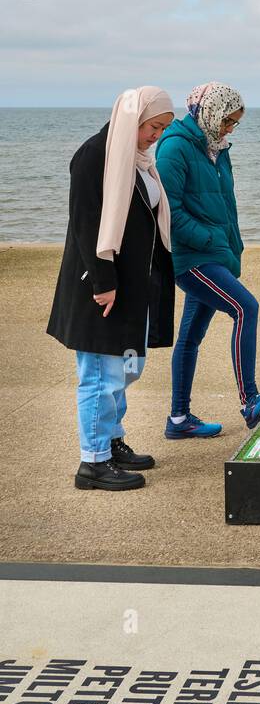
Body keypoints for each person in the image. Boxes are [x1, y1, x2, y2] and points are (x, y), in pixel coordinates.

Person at [48, 87, 175, 491]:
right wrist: (104, 283)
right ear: (133, 118)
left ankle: (111, 440)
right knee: (101, 375)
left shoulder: (134, 158)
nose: (156, 136)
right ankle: (93, 463)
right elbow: (85, 224)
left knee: (126, 369)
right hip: (100, 288)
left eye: (162, 129)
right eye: (153, 127)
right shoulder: (94, 155)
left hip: (132, 287)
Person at [155, 82, 260, 438]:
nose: (229, 129)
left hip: (215, 255)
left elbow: (226, 206)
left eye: (234, 124)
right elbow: (170, 212)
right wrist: (211, 240)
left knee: (190, 338)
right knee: (245, 308)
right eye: (227, 121)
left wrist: (231, 248)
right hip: (192, 258)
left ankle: (179, 419)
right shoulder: (175, 149)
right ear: (209, 112)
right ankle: (250, 401)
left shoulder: (217, 148)